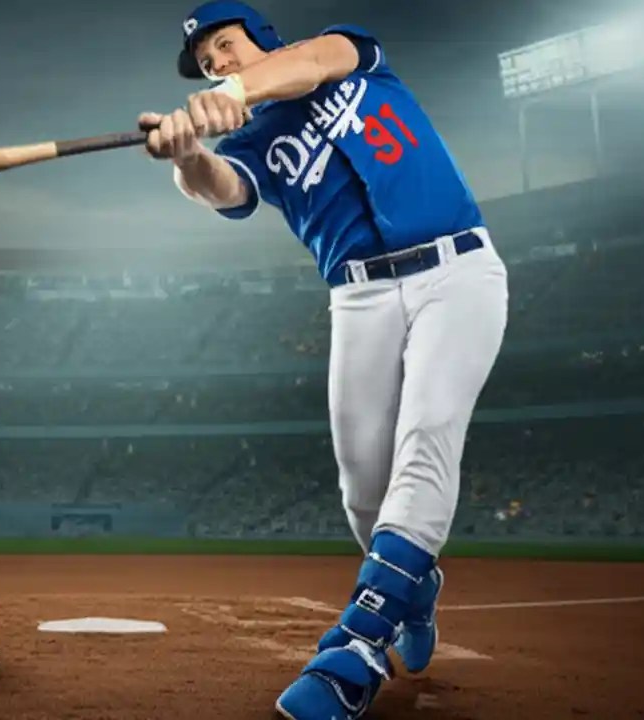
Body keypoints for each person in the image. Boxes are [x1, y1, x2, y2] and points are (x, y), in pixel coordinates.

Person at [141, 2, 509, 718]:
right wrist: (186, 151)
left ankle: (357, 651)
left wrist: (232, 93)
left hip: (456, 272)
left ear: (259, 34)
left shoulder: (341, 50)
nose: (219, 61)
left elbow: (306, 66)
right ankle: (415, 586)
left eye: (225, 44)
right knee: (362, 492)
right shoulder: (249, 143)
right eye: (210, 62)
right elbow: (220, 188)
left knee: (426, 438)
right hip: (359, 297)